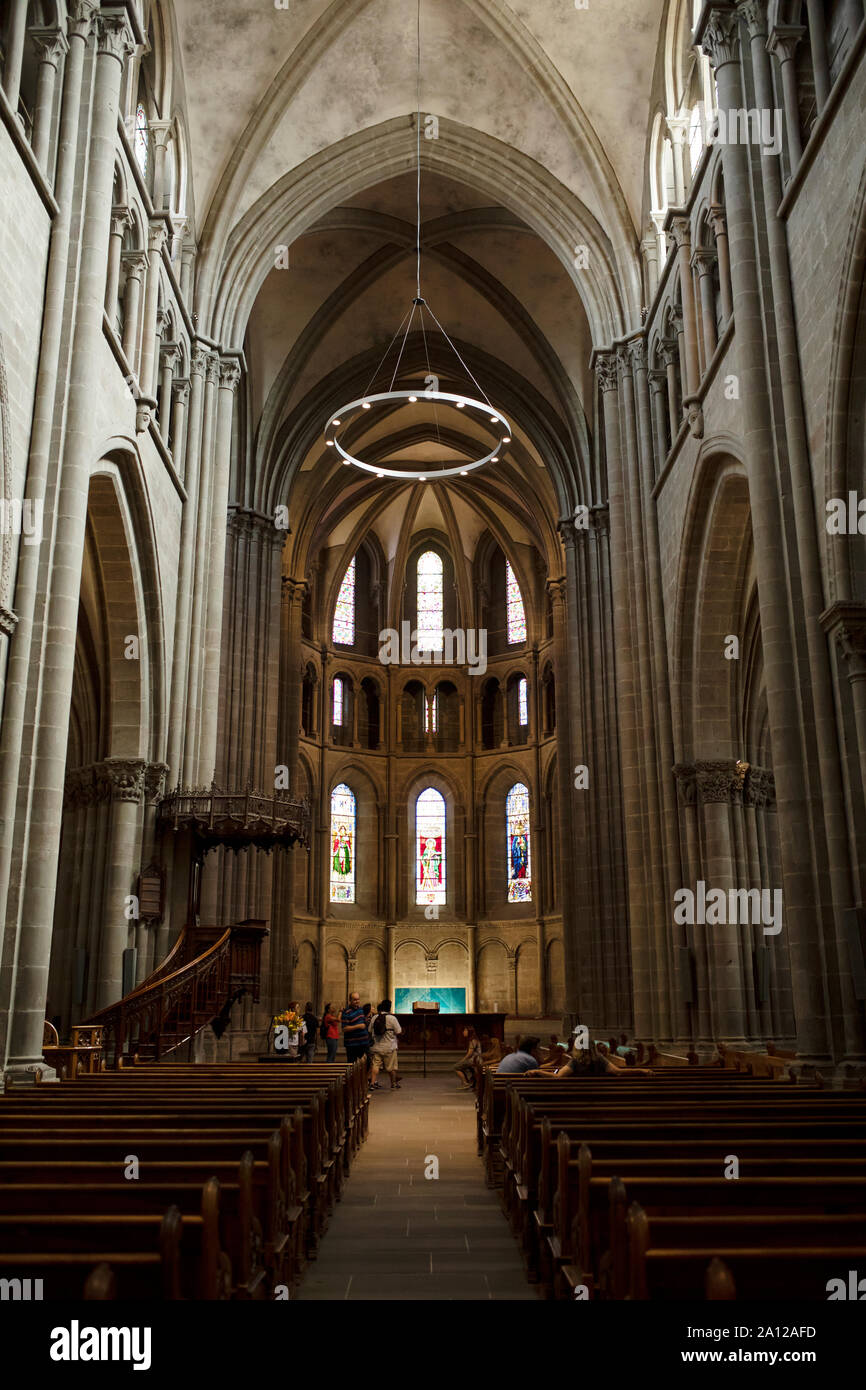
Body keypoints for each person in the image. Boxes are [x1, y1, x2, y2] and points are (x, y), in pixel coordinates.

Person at [368, 999, 402, 1090]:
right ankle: (393, 1084)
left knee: (375, 1065)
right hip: (389, 1047)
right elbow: (399, 1031)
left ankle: (372, 1083)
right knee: (391, 1067)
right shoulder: (392, 1018)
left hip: (376, 1047)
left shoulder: (375, 1017)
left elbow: (369, 1030)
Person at [341, 992, 371, 1064]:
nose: (357, 1001)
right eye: (354, 1000)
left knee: (368, 1064)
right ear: (350, 1000)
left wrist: (367, 1020)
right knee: (352, 1066)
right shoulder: (346, 1012)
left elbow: (365, 1023)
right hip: (352, 1045)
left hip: (364, 1042)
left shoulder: (362, 1010)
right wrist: (358, 1026)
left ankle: (364, 1076)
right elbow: (344, 1029)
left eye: (358, 999)